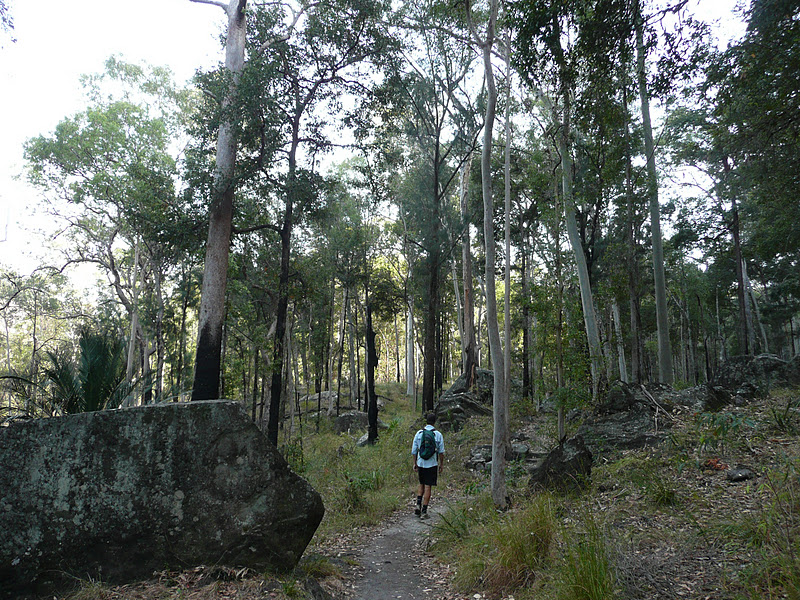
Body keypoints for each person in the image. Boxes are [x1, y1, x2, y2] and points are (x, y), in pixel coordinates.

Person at [411, 412, 445, 519]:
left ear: (426, 421)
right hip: (432, 464)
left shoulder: (419, 433)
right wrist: (441, 464)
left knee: (421, 483)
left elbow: (414, 451)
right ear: (435, 422)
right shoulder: (438, 435)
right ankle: (424, 511)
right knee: (428, 486)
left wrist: (415, 463)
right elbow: (441, 452)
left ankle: (418, 505)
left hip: (421, 463)